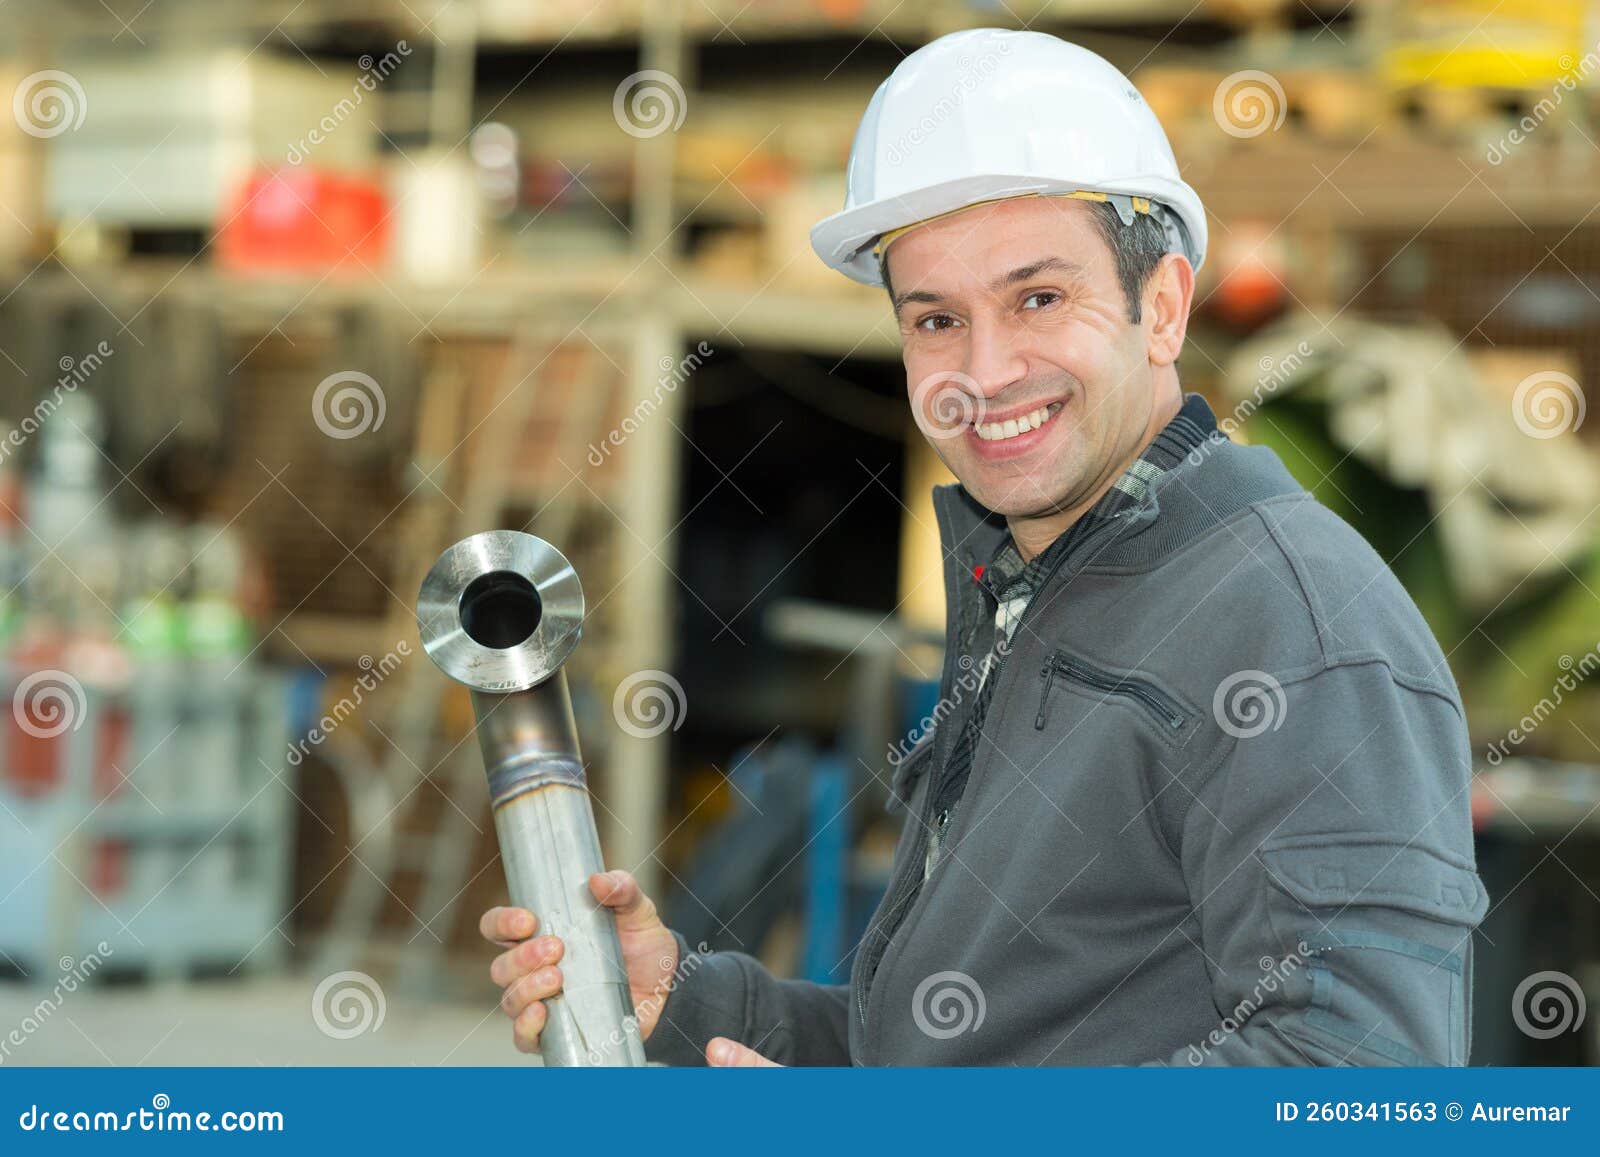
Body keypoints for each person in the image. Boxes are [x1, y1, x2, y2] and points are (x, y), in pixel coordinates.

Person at [481, 28, 1487, 1066]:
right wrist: (686, 1004)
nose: (984, 368)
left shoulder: (1294, 627)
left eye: (1037, 298)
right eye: (934, 319)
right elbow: (949, 1051)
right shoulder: (1037, 589)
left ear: (1164, 306)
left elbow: (1359, 1085)